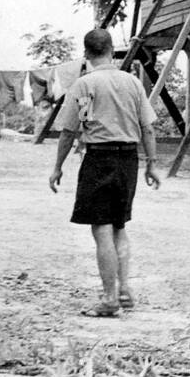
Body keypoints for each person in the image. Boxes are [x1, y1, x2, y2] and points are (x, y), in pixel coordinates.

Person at [49, 28, 160, 317]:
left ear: (86, 54)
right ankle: (124, 287)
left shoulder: (84, 85)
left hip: (98, 159)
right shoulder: (133, 83)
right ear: (112, 50)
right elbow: (147, 127)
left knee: (101, 229)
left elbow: (68, 132)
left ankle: (110, 298)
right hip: (128, 161)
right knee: (119, 226)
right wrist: (151, 163)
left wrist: (57, 167)